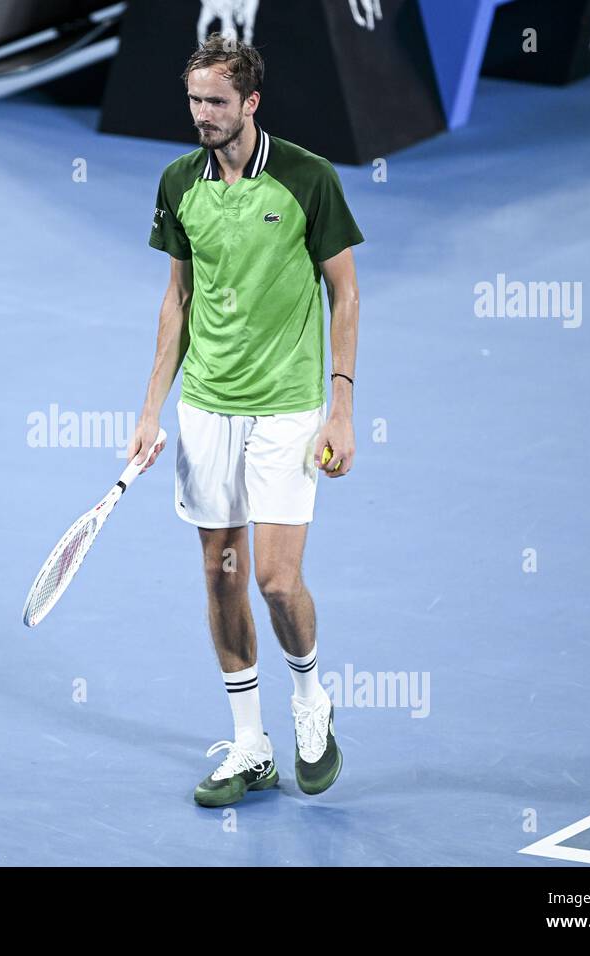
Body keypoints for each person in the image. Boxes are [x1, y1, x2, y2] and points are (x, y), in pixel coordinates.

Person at [128, 33, 364, 806]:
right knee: (220, 574)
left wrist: (341, 408)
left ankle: (308, 700)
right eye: (195, 101)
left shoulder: (308, 178)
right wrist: (150, 409)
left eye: (217, 102)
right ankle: (250, 743)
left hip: (289, 409)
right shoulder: (177, 182)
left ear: (251, 102)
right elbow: (178, 298)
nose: (203, 115)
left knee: (275, 579)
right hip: (206, 407)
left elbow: (345, 293)